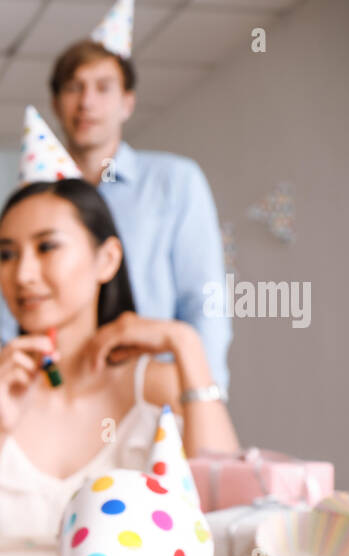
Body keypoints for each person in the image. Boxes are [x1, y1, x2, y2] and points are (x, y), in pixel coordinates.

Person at [0, 178, 238, 538]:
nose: (23, 274)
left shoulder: (158, 387)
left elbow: (226, 521)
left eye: (47, 247)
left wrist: (185, 342)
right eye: (8, 254)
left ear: (107, 259)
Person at [34, 33, 232, 392]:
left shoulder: (174, 182)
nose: (87, 102)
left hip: (156, 392)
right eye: (74, 88)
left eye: (103, 87)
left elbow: (204, 302)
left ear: (127, 103)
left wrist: (203, 395)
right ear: (55, 102)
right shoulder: (38, 199)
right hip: (62, 394)